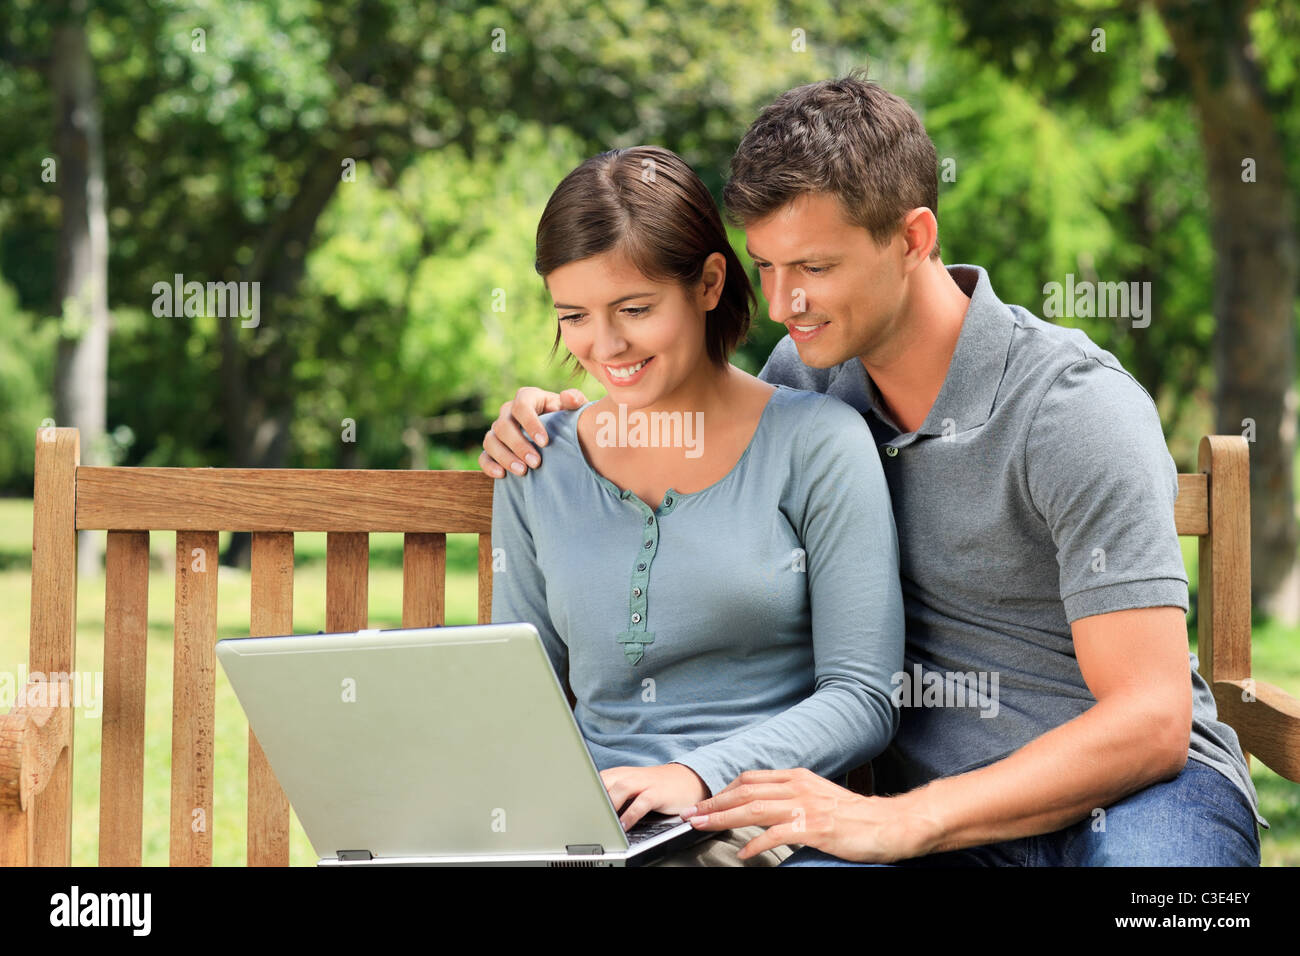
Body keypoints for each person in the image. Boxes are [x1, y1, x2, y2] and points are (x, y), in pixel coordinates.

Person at [480, 71, 1267, 866]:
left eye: (815, 267)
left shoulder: (1070, 409)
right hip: (928, 815)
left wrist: (909, 820)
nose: (786, 303)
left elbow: (1150, 720)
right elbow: (685, 406)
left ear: (914, 238)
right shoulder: (810, 377)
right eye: (768, 267)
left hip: (1130, 796)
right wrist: (554, 414)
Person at [488, 143, 905, 866]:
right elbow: (516, 693)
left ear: (710, 282)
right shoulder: (535, 460)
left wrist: (695, 776)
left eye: (635, 309)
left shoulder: (817, 442)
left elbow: (863, 697)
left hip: (759, 821)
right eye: (574, 315)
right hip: (589, 829)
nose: (605, 344)